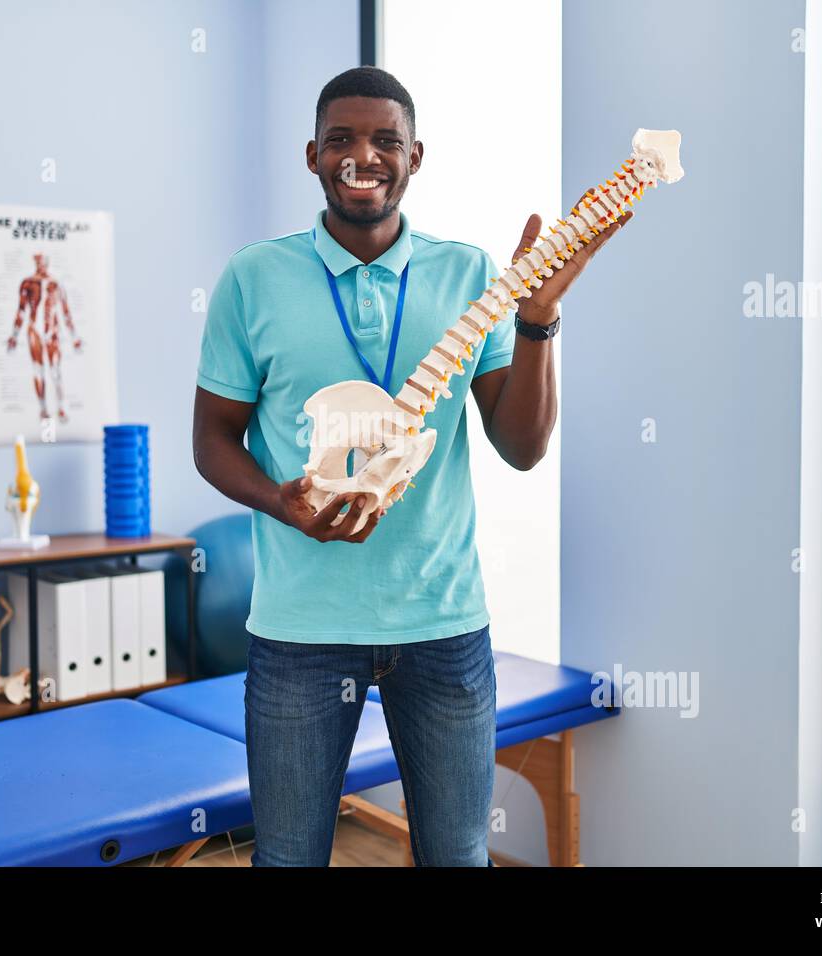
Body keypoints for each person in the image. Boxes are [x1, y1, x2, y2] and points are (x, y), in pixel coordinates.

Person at [192, 66, 627, 867]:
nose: (364, 156)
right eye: (341, 140)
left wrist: (538, 321)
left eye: (385, 140)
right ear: (312, 157)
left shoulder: (470, 277)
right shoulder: (254, 278)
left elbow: (523, 447)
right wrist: (279, 501)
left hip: (443, 622)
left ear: (415, 156)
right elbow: (213, 440)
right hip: (300, 629)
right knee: (286, 857)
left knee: (459, 856)